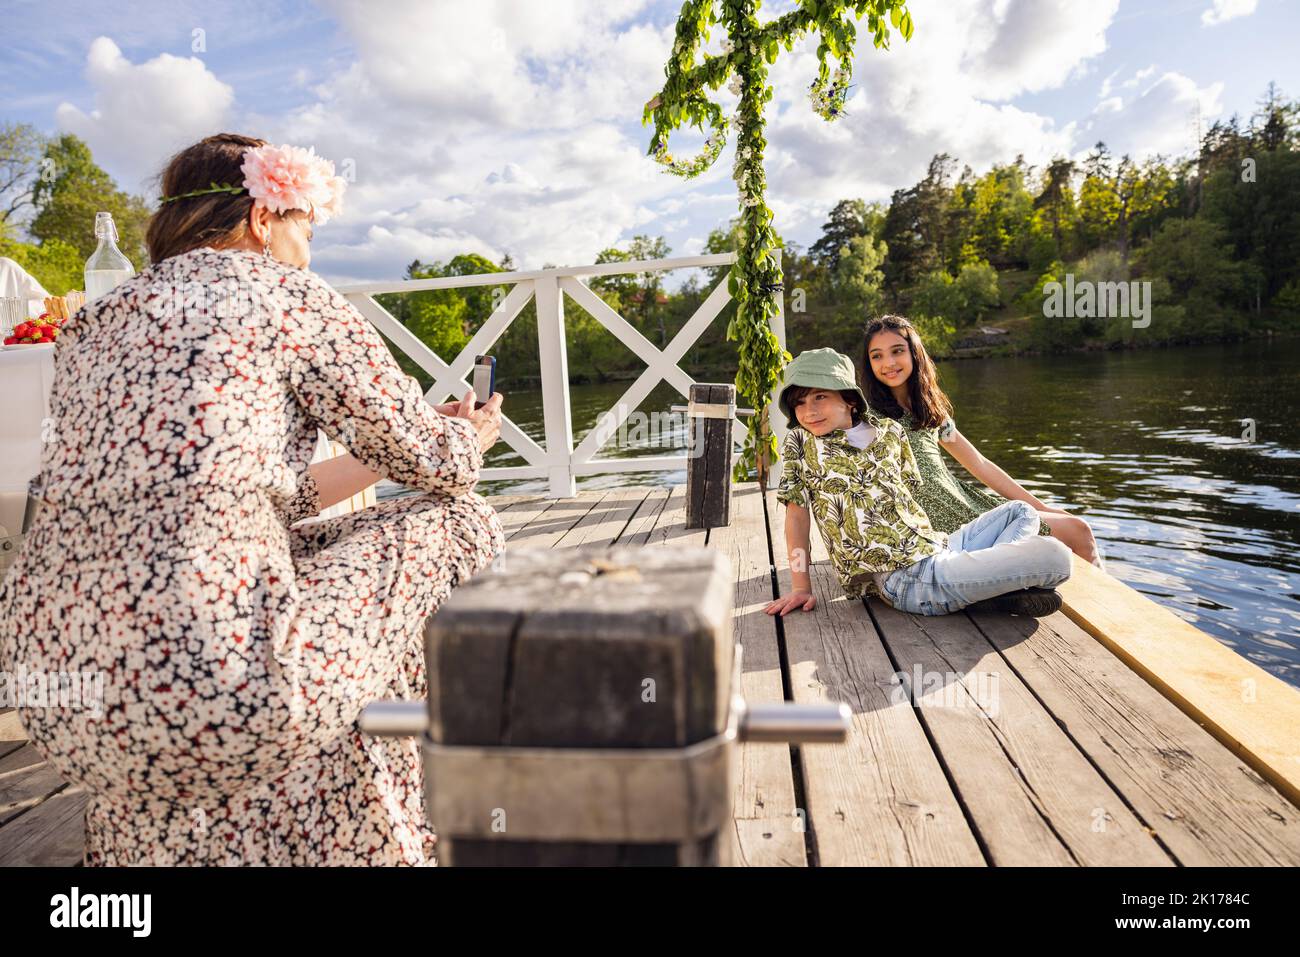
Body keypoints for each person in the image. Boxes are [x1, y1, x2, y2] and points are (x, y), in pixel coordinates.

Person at [0, 133, 505, 866]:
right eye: (306, 227)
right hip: (229, 693)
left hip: (64, 708)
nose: (309, 251)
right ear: (263, 218)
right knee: (457, 521)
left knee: (286, 560)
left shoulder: (90, 326)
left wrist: (370, 466)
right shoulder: (286, 293)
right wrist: (472, 436)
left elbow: (247, 496)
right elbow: (436, 462)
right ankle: (390, 813)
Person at [763, 347, 1072, 619]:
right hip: (903, 579)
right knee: (1056, 557)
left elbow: (909, 500)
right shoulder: (801, 443)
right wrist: (801, 586)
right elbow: (796, 517)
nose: (809, 411)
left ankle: (984, 589)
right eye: (800, 403)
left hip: (937, 547)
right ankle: (984, 586)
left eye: (820, 396)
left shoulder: (891, 431)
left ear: (850, 400)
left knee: (1021, 512)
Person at [863, 314, 1103, 567]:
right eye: (876, 355)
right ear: (869, 364)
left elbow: (979, 464)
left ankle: (1098, 603)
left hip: (964, 504)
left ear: (914, 353)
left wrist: (1042, 507)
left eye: (897, 351)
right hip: (939, 521)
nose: (887, 362)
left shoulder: (929, 411)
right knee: (1077, 531)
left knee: (1075, 530)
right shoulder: (868, 417)